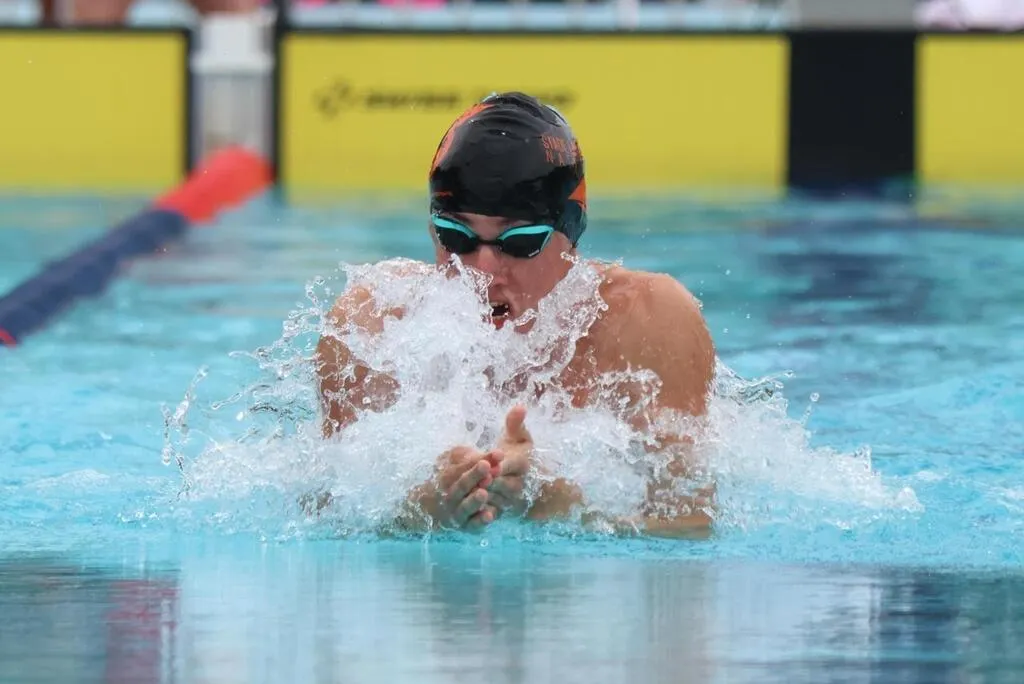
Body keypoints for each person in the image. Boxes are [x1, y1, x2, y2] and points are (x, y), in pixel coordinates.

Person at [315, 92, 716, 538]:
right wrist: (417, 512)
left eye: (520, 241)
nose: (482, 270)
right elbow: (324, 521)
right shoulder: (372, 328)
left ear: (572, 234)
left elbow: (690, 527)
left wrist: (565, 508)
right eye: (456, 236)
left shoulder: (647, 323)